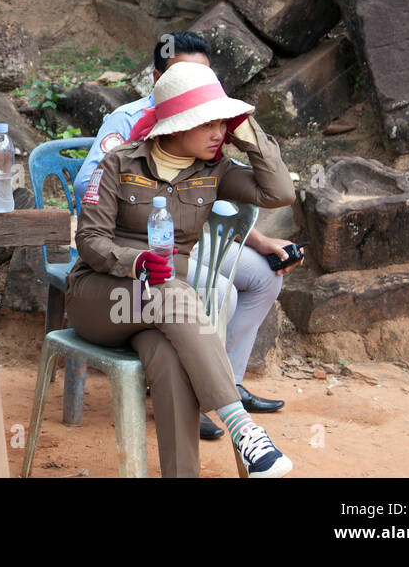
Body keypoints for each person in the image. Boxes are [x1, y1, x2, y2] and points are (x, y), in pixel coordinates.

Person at [67, 60, 296, 477]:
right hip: (101, 296)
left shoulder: (215, 171)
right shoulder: (120, 163)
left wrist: (246, 130)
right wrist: (136, 262)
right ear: (174, 125)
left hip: (161, 308)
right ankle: (242, 427)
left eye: (222, 123)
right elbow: (89, 241)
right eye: (208, 123)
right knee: (172, 293)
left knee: (169, 359)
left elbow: (279, 192)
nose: (218, 133)